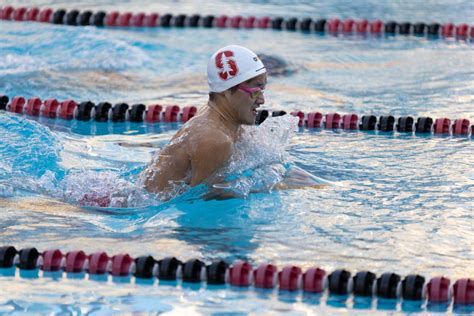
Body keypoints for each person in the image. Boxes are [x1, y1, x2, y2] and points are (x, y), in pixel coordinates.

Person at [140, 45, 323, 198]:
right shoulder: (215, 140)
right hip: (137, 210)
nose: (261, 100)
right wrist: (274, 187)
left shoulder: (226, 121)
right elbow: (201, 198)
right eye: (255, 89)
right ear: (226, 91)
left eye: (263, 89)